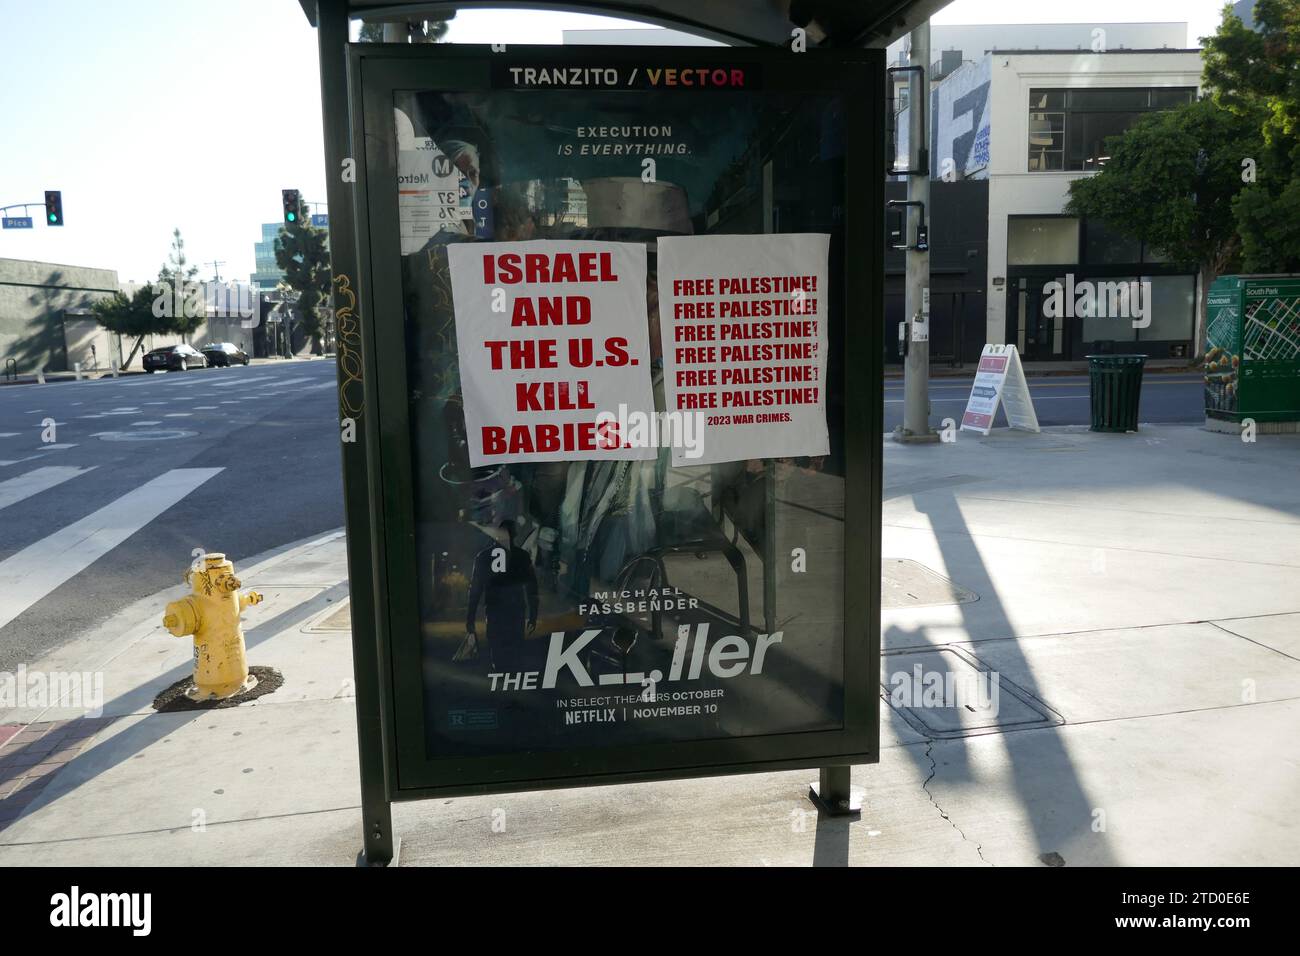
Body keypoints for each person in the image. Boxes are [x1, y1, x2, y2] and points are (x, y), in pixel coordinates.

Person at [462, 520, 538, 671]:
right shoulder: (522, 556)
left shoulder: (483, 556)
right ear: (514, 535)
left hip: (494, 609)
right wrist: (533, 614)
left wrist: (470, 617)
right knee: (515, 648)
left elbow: (475, 589)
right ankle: (512, 675)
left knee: (497, 647)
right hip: (515, 609)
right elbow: (531, 588)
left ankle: (500, 672)